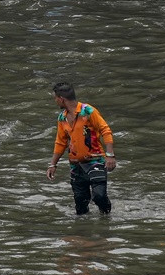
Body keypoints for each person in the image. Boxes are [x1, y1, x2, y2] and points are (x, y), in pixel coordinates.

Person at [46, 82, 116, 215]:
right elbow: (60, 142)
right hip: (75, 165)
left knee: (99, 196)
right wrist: (52, 164)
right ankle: (82, 232)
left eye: (55, 98)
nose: (55, 101)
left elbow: (105, 130)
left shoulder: (88, 111)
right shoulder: (62, 118)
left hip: (95, 161)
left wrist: (110, 155)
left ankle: (106, 219)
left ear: (61, 99)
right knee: (80, 205)